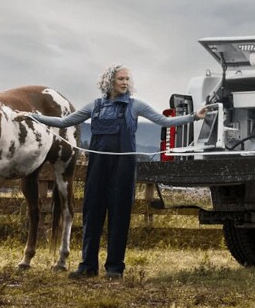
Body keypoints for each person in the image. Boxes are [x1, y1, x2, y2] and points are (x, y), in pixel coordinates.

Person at [30, 64, 206, 280]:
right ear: (109, 81)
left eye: (127, 79)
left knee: (119, 216)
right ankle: (87, 266)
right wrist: (34, 118)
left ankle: (114, 268)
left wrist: (194, 117)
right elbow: (65, 121)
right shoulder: (94, 107)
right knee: (92, 215)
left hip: (123, 169)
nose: (125, 83)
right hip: (97, 168)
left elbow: (164, 121)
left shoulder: (135, 106)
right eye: (121, 79)